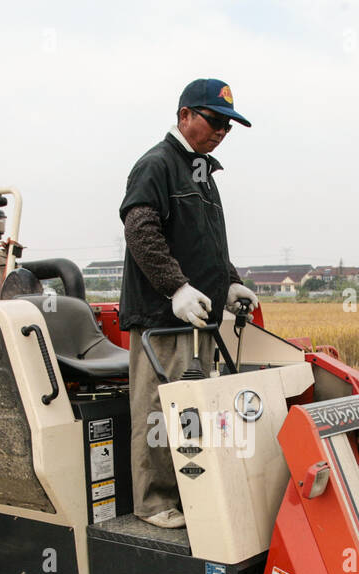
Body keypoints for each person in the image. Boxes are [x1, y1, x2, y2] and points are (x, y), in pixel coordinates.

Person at [118, 78, 259, 529]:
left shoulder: (202, 174)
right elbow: (141, 230)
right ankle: (153, 501)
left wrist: (231, 283)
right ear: (184, 116)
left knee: (192, 411)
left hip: (199, 317)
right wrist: (175, 287)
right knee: (160, 409)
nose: (221, 131)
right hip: (163, 316)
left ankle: (187, 490)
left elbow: (207, 244)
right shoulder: (156, 165)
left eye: (228, 126)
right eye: (214, 120)